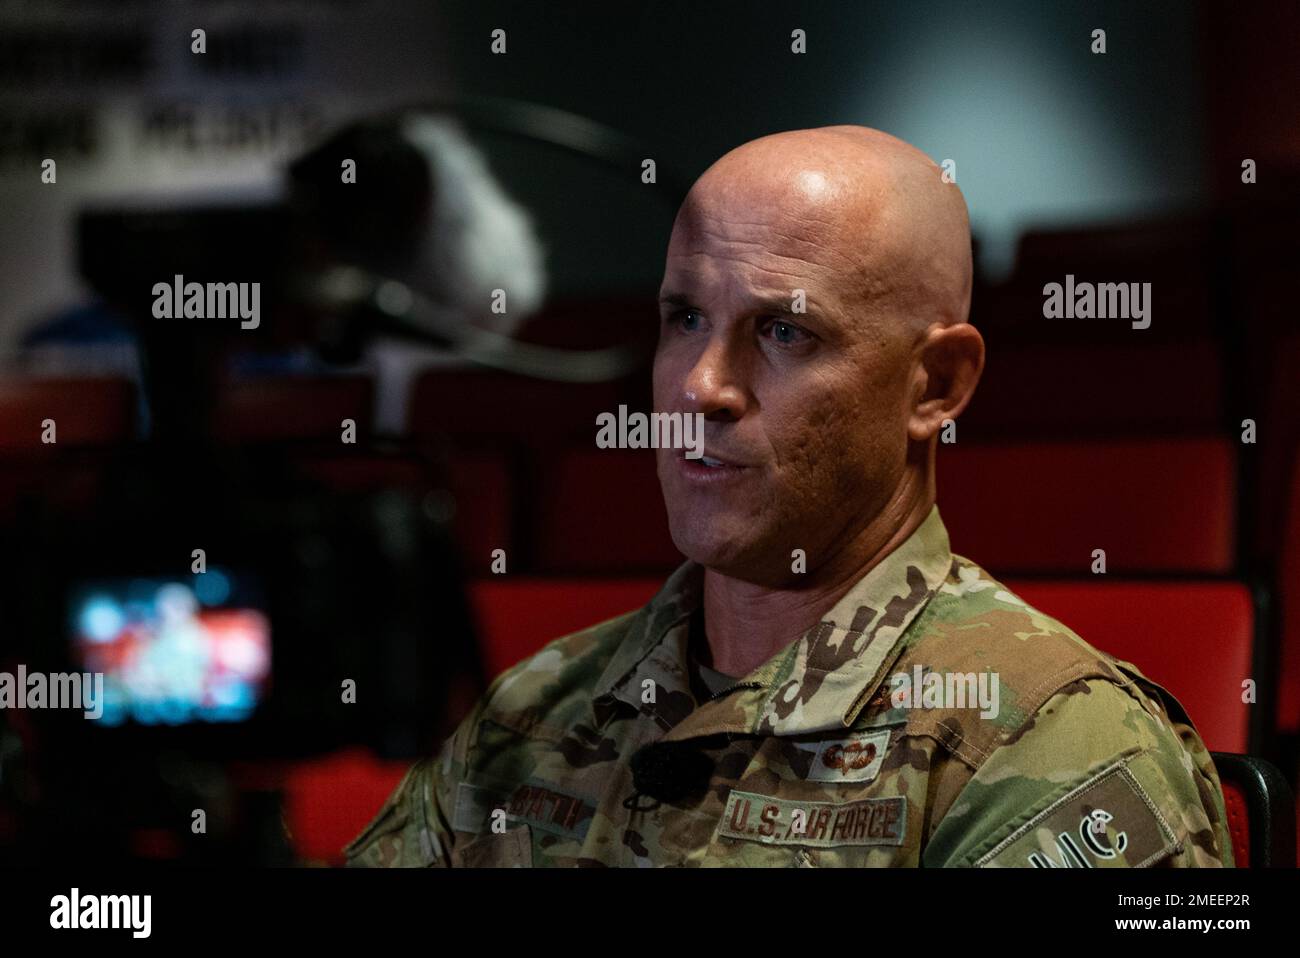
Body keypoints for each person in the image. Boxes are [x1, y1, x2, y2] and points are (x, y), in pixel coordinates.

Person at [345, 125, 1234, 867]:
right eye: (684, 318)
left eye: (783, 331)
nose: (701, 386)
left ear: (935, 384)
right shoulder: (534, 712)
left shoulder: (1050, 744)